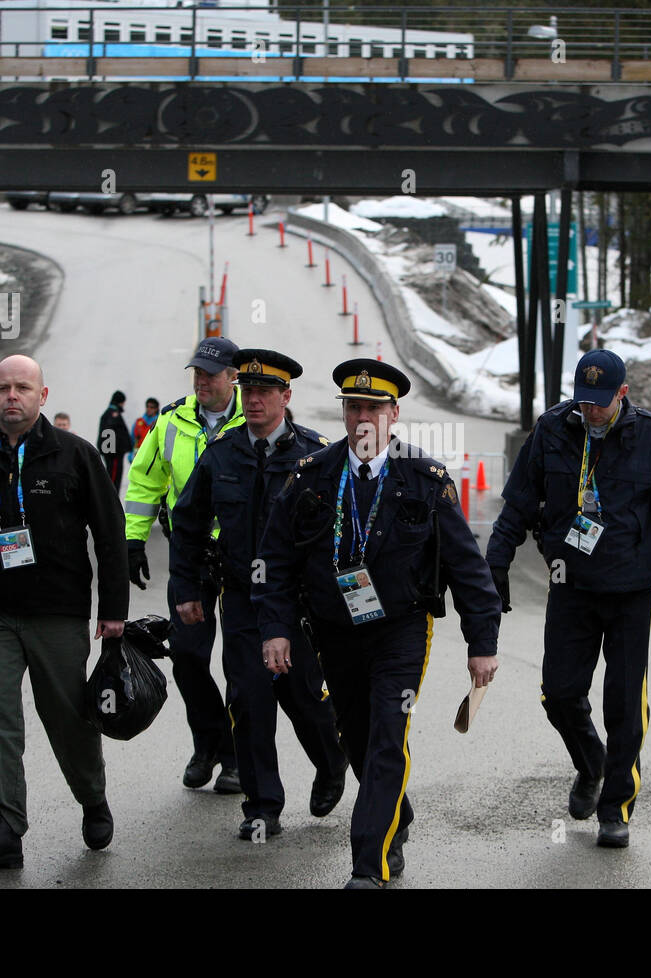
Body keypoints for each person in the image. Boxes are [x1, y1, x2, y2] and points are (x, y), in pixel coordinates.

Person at [253, 358, 501, 888]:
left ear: (394, 413)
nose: (362, 416)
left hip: (401, 630)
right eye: (353, 406)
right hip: (333, 631)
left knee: (389, 733)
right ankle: (396, 813)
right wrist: (275, 628)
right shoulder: (311, 476)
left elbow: (467, 568)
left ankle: (371, 862)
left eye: (373, 407)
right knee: (358, 737)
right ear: (343, 412)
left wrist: (481, 644)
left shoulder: (425, 479)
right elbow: (274, 560)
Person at [485, 349, 651, 849]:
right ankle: (592, 764)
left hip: (630, 592)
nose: (590, 413)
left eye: (600, 405)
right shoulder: (551, 431)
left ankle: (616, 809)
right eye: (583, 403)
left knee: (624, 705)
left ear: (622, 395)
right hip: (571, 585)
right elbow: (518, 503)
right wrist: (495, 564)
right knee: (559, 693)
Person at [0, 354, 128, 870]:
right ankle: (4, 828)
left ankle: (92, 798)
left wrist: (113, 611)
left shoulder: (75, 456)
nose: (12, 397)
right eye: (3, 388)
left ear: (42, 396)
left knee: (67, 717)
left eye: (22, 387)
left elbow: (110, 535)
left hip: (57, 612)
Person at [170, 349, 347, 841]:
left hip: (299, 605)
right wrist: (186, 586)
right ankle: (262, 806)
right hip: (244, 598)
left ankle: (332, 762)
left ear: (286, 397)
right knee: (248, 699)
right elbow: (187, 522)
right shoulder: (223, 452)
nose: (254, 401)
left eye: (265, 393)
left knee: (303, 696)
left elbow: (340, 530)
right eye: (248, 392)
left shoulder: (316, 456)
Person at [123, 337, 243, 793]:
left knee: (240, 662)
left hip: (240, 557)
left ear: (233, 376)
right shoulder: (170, 421)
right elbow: (144, 481)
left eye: (210, 374)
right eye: (196, 373)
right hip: (190, 557)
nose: (201, 381)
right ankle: (207, 741)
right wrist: (134, 542)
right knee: (188, 656)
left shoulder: (252, 419)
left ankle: (233, 757)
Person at [98, 390, 133, 491]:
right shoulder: (113, 415)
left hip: (113, 455)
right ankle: (111, 504)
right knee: (113, 482)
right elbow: (109, 434)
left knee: (113, 480)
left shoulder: (108, 414)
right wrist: (114, 452)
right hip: (114, 456)